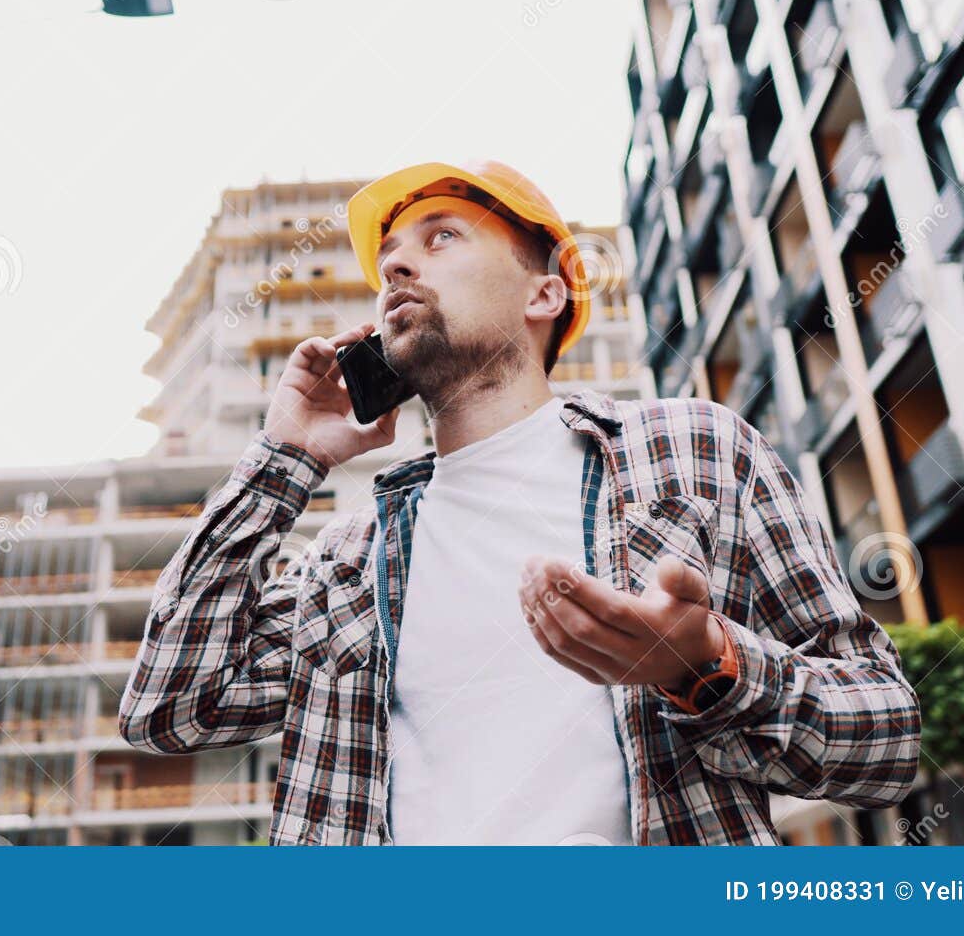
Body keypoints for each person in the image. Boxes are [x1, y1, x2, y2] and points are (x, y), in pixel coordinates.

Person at [120, 160, 921, 845]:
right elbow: (171, 706)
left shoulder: (693, 452)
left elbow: (887, 741)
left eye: (441, 238)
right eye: (388, 259)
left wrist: (708, 668)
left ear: (544, 295)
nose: (396, 269)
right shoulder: (347, 557)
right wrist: (285, 460)